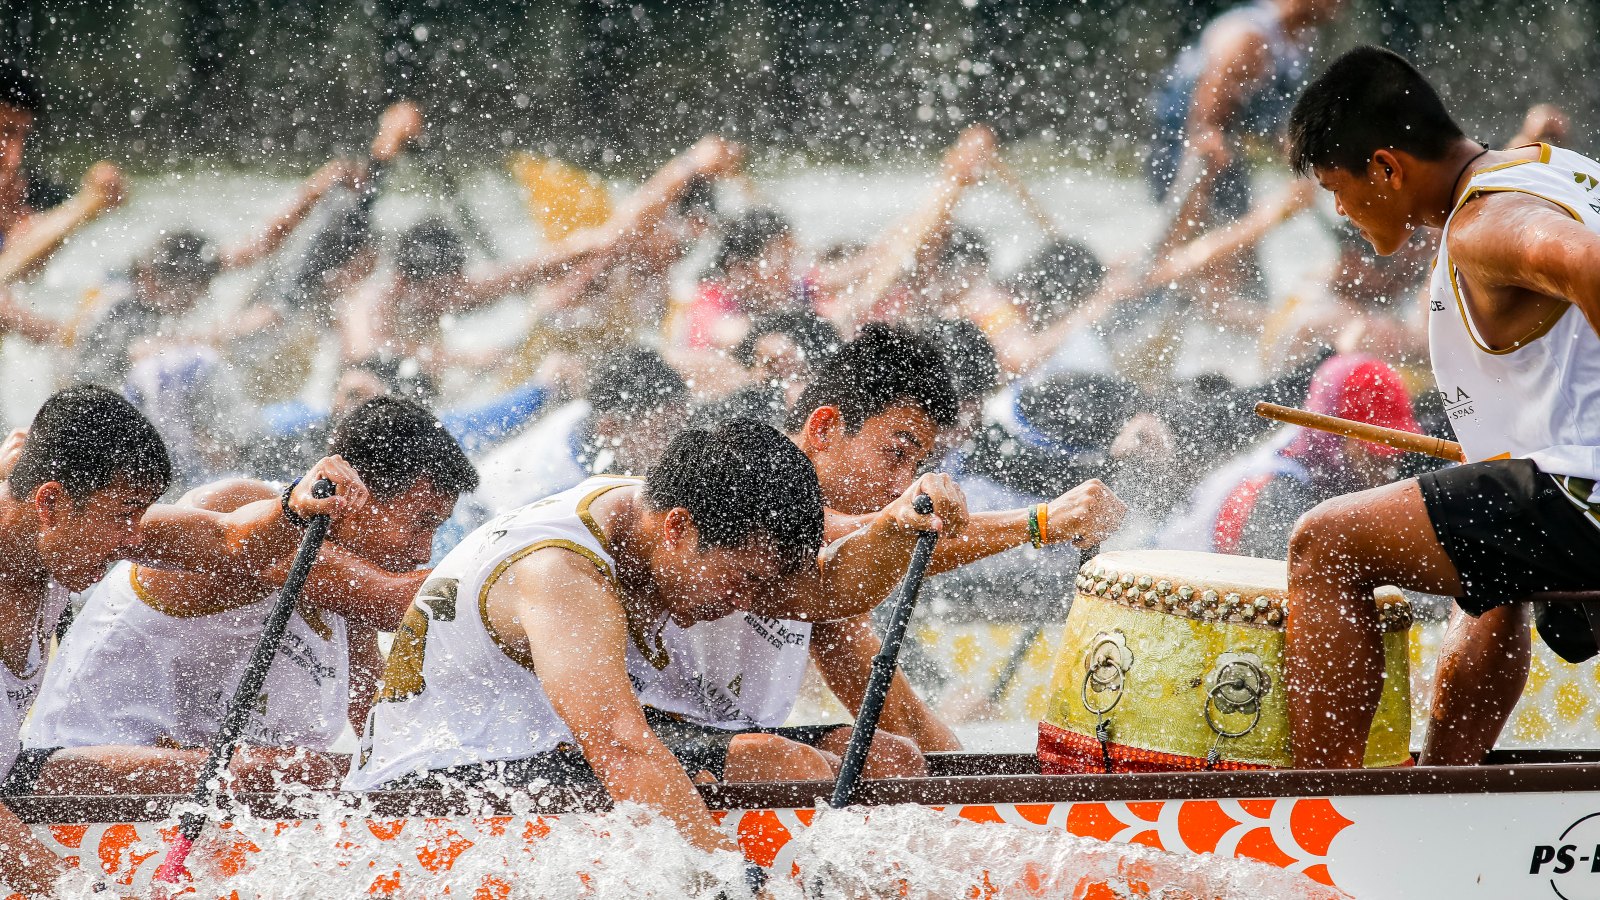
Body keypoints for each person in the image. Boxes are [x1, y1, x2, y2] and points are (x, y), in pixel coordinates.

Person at [1281, 46, 1600, 769]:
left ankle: (1318, 817)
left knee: (1325, 546)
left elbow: (1590, 265)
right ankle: (1447, 785)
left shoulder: (1481, 224)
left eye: (1338, 188)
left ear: (1388, 169)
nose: (1339, 210)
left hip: (1586, 492)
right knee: (1483, 569)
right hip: (1565, 477)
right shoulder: (1547, 166)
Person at [345, 420, 828, 889]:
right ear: (678, 528)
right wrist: (738, 885)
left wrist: (893, 523)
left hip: (523, 757)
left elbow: (839, 581)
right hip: (427, 794)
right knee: (770, 762)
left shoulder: (648, 506)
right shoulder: (560, 574)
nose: (743, 604)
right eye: (741, 579)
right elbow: (621, 747)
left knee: (869, 754)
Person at [638, 324, 1127, 783]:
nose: (900, 484)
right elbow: (848, 535)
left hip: (721, 744)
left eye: (916, 465)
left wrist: (984, 803)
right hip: (630, 736)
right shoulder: (743, 487)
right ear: (825, 429)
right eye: (896, 453)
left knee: (895, 756)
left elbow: (906, 719)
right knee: (793, 765)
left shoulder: (828, 585)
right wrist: (1041, 522)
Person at [0, 385, 365, 897]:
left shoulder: (49, 527)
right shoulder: (51, 525)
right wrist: (82, 892)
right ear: (50, 501)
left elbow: (227, 539)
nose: (134, 538)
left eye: (140, 513)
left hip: (19, 773)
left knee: (252, 772)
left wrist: (295, 506)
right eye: (122, 513)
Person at [22, 397, 476, 794]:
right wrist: (521, 555)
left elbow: (388, 732)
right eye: (422, 522)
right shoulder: (241, 509)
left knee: (358, 773)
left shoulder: (346, 606)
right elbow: (397, 603)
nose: (424, 550)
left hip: (186, 796)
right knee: (299, 775)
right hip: (77, 784)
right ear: (355, 494)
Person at [1157, 354, 1419, 558]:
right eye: (1373, 453)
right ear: (1334, 437)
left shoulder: (1313, 449)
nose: (1388, 467)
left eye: (1395, 452)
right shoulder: (1279, 496)